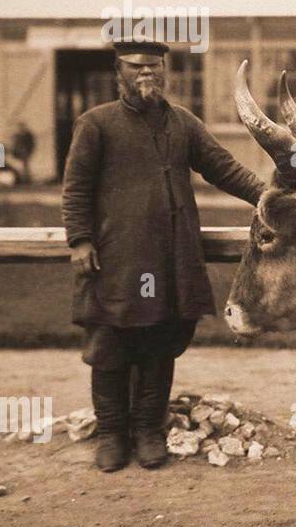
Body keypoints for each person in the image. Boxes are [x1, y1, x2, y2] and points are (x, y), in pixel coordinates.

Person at [61, 41, 265, 471]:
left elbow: (224, 168)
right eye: (136, 67)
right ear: (119, 72)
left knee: (160, 344)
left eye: (154, 67)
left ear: (164, 71)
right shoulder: (95, 124)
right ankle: (112, 434)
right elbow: (75, 188)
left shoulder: (183, 124)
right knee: (109, 346)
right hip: (115, 259)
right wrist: (79, 240)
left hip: (170, 259)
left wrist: (270, 198)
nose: (146, 74)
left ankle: (148, 431)